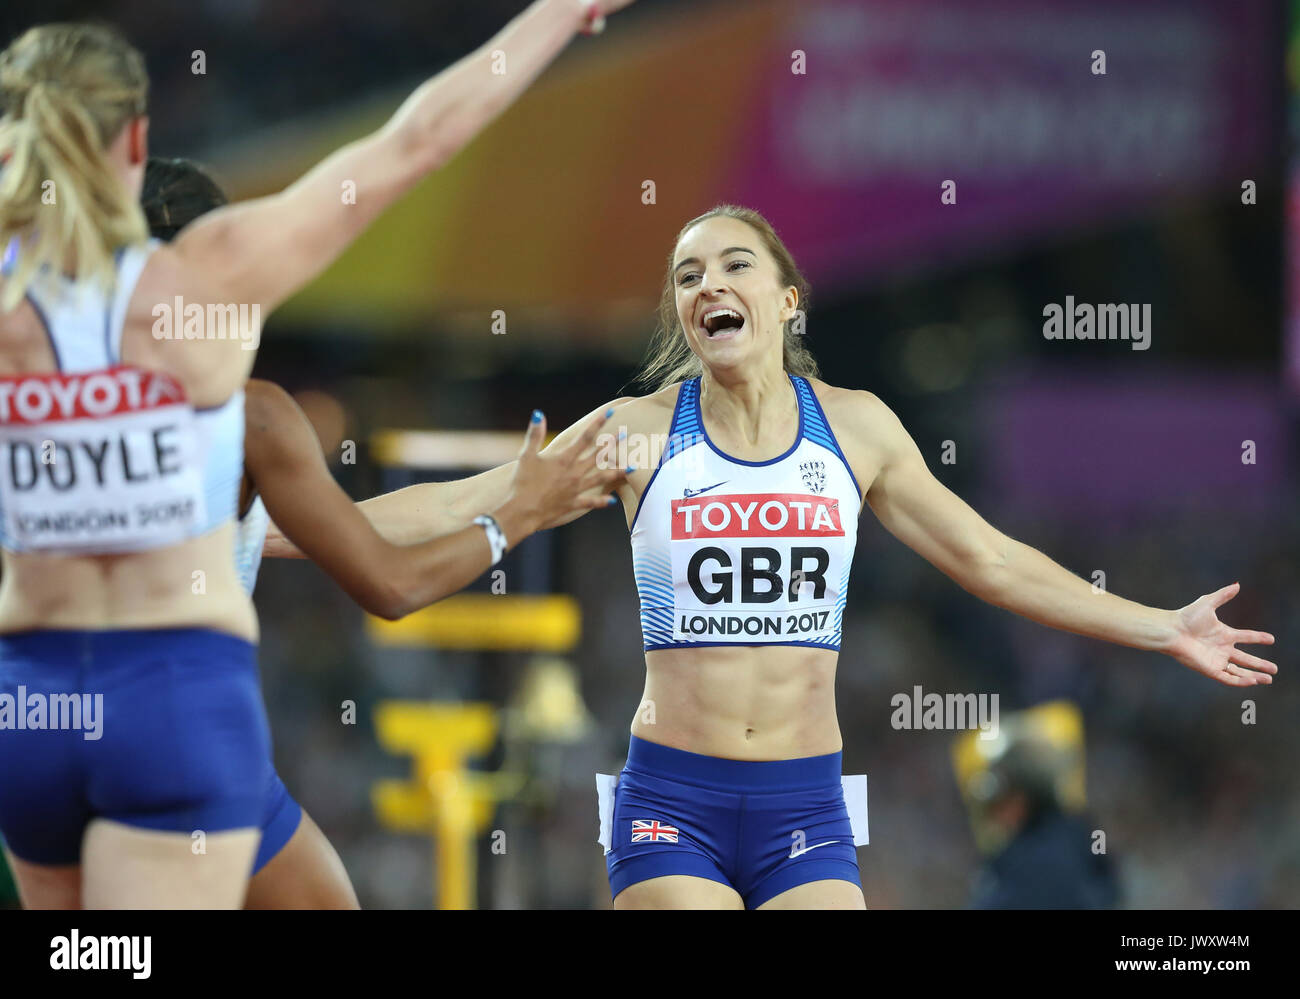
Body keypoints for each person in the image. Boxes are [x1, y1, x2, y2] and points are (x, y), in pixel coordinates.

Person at [314, 203, 1277, 909]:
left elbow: (991, 559)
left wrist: (1161, 625)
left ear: (787, 299)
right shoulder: (637, 432)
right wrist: (287, 524)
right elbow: (464, 499)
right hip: (670, 802)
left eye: (734, 266)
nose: (708, 287)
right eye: (688, 277)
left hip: (805, 804)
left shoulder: (857, 432)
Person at [0, 0, 637, 910]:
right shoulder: (207, 277)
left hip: (31, 708)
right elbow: (414, 142)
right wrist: (554, 16)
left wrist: (519, 486)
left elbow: (336, 528)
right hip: (172, 703)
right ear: (136, 139)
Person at [141, 155, 629, 908]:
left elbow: (359, 526)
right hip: (170, 749)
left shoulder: (54, 401)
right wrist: (518, 517)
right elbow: (391, 582)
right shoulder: (248, 418)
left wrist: (534, 481)